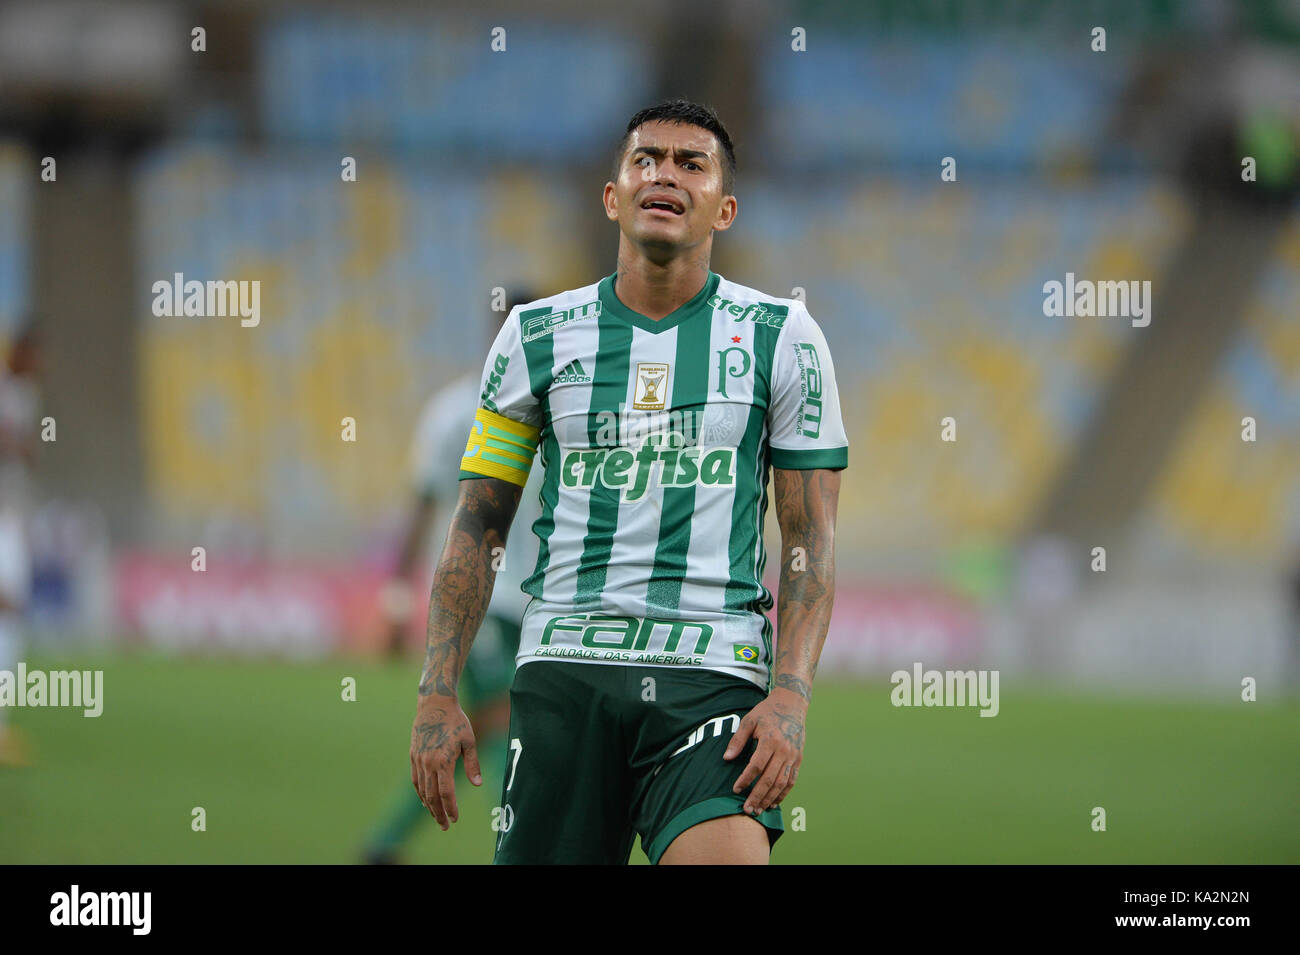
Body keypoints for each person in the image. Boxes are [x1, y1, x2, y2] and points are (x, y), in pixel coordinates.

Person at [410, 100, 847, 864]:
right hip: (564, 671)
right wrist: (436, 688)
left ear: (725, 208)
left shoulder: (784, 336)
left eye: (691, 163)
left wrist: (792, 694)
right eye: (645, 159)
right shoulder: (535, 336)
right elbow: (478, 528)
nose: (664, 175)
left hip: (712, 677)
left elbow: (811, 539)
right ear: (613, 195)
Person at [363, 291, 541, 863]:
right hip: (482, 601)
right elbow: (421, 508)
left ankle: (385, 846)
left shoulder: (563, 407)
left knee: (500, 730)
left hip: (547, 602)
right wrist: (395, 602)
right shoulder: (453, 413)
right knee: (509, 719)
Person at [0, 323, 41, 766]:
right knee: (7, 608)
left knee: (11, 612)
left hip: (10, 515)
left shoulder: (26, 397)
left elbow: (25, 452)